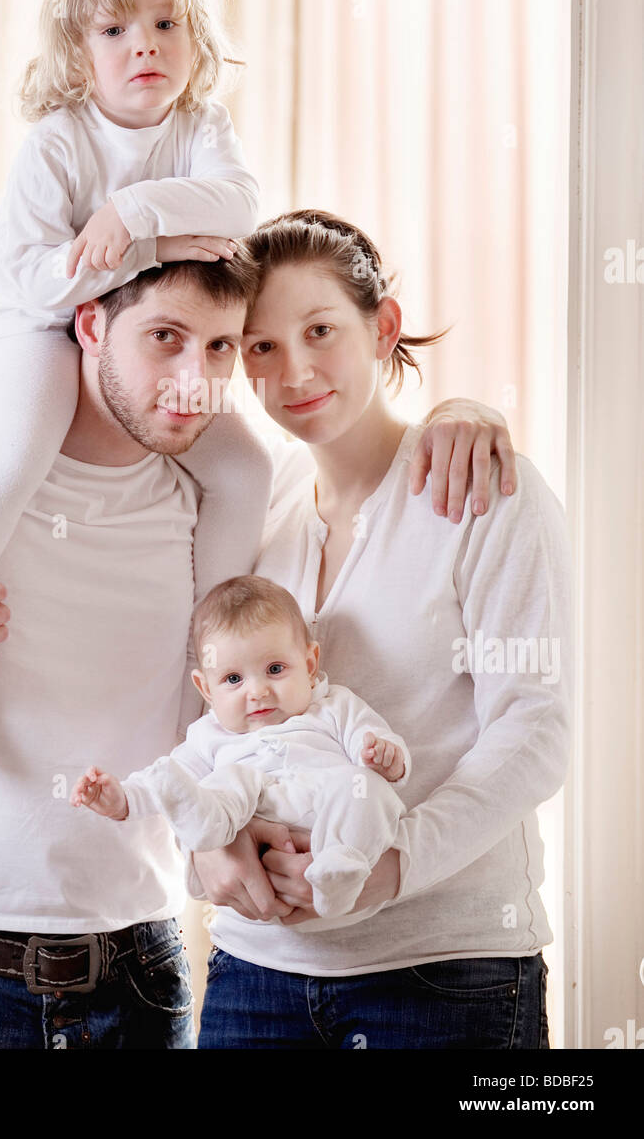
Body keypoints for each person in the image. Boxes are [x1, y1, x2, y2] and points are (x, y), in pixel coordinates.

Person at [0, 240, 516, 1050]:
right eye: (165, 337)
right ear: (91, 325)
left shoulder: (224, 491)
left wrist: (462, 413)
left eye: (222, 348)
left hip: (138, 966)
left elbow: (231, 707)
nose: (195, 378)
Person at [189, 209, 573, 1050]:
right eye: (260, 346)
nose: (294, 371)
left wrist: (389, 868)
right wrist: (208, 850)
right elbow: (209, 713)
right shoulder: (258, 507)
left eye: (320, 329)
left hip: (446, 974)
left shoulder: (485, 491)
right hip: (256, 975)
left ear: (382, 326)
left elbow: (535, 732)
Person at [0, 0, 272, 751]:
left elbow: (238, 206)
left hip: (137, 342)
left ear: (194, 40)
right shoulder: (57, 142)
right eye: (115, 30)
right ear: (78, 53)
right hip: (35, 331)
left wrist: (132, 216)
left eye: (167, 24)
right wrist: (151, 251)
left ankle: (206, 673)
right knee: (15, 451)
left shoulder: (201, 125)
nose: (146, 45)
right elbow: (31, 277)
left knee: (245, 466)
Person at [71, 574, 410, 920]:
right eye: (233, 679)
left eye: (275, 669)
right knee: (225, 780)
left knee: (363, 786)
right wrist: (122, 799)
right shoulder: (209, 735)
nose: (257, 691)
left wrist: (387, 758)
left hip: (326, 810)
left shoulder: (333, 706)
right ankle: (207, 822)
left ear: (309, 665)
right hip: (250, 813)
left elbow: (374, 740)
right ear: (206, 689)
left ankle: (341, 868)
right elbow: (175, 783)